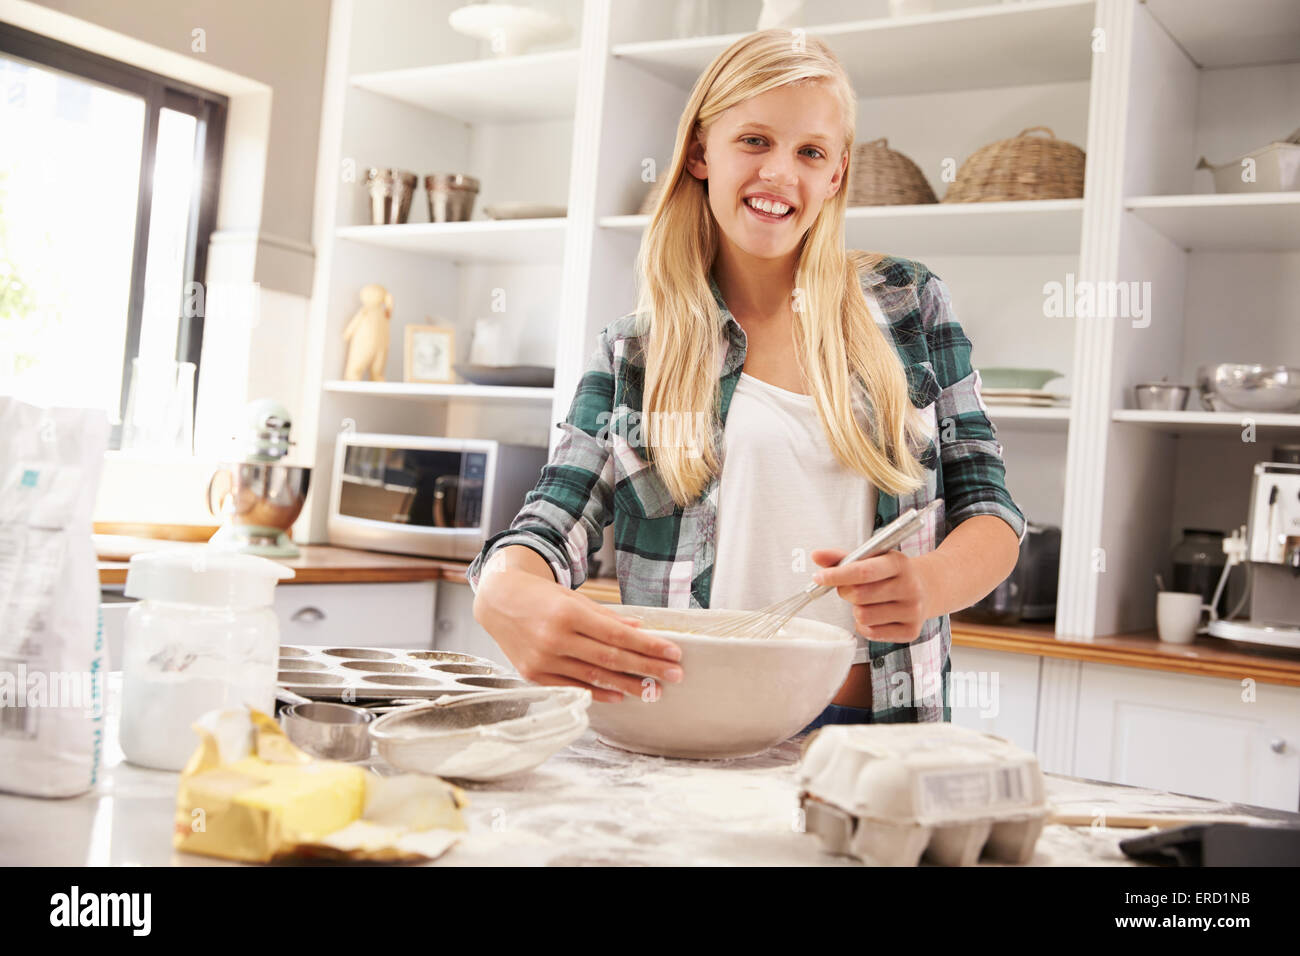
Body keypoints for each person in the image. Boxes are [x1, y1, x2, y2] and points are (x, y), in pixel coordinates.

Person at [468, 28, 1026, 726]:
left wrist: (930, 583)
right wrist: (503, 587)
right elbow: (552, 522)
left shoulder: (909, 304)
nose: (780, 174)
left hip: (873, 732)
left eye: (810, 152)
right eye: (755, 141)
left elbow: (991, 511)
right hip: (684, 726)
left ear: (836, 175)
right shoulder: (635, 353)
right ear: (701, 152)